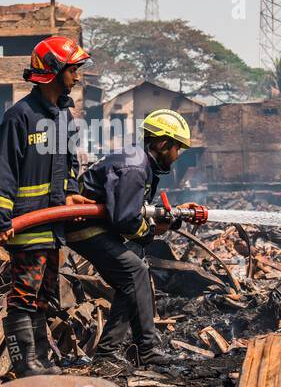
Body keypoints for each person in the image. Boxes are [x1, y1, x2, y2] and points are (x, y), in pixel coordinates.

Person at [0, 35, 92, 376]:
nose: (77, 77)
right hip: (25, 225)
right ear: (56, 70)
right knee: (24, 296)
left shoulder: (63, 117)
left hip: (52, 226)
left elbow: (70, 164)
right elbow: (1, 170)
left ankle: (40, 360)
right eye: (73, 70)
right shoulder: (20, 117)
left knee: (43, 296)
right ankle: (25, 363)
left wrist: (71, 192)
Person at [65, 109, 194, 365]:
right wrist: (149, 233)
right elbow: (125, 219)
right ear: (161, 143)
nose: (178, 155)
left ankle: (110, 351)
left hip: (100, 226)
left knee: (132, 280)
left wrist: (174, 216)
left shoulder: (143, 164)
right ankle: (146, 349)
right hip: (84, 227)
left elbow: (136, 208)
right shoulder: (134, 167)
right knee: (135, 271)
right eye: (177, 148)